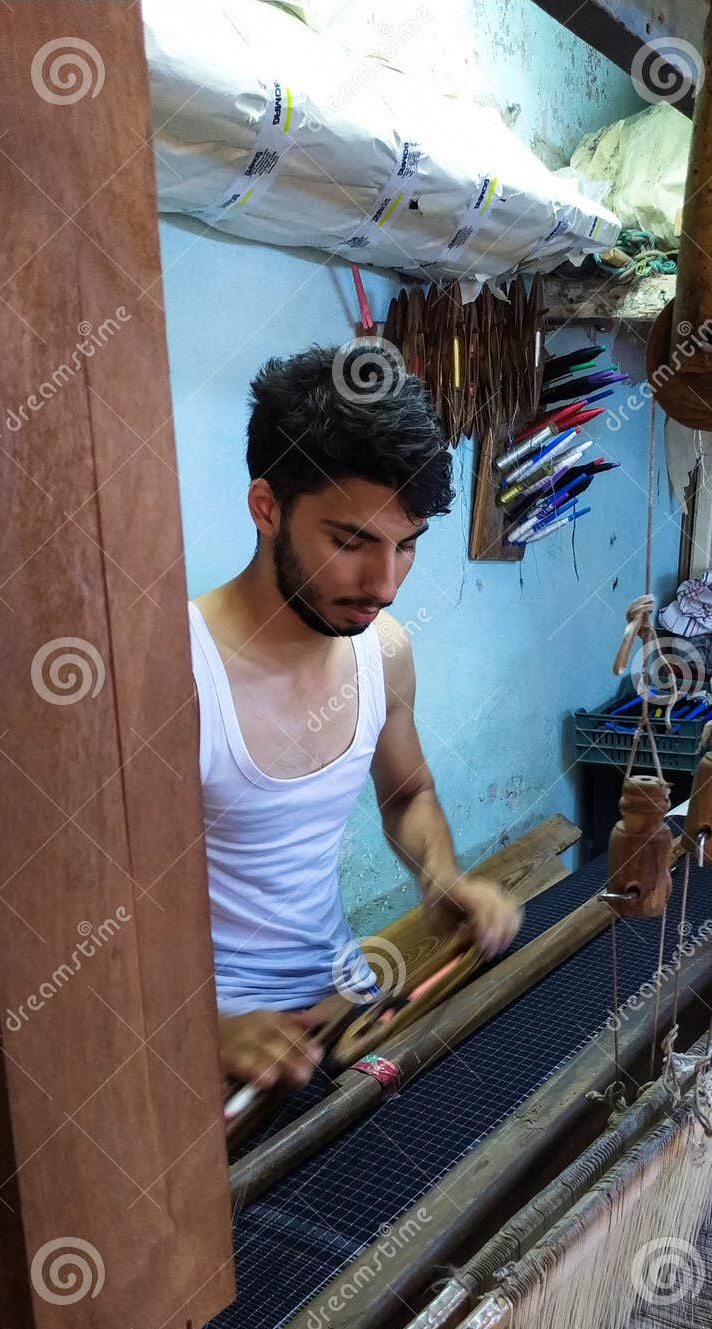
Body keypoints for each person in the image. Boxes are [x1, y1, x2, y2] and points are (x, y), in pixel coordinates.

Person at [189, 345, 520, 1092]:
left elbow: (407, 795)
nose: (385, 584)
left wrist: (442, 880)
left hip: (339, 1017)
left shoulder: (384, 653)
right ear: (267, 508)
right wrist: (204, 1026)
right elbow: (75, 924)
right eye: (351, 543)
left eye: (407, 547)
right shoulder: (174, 679)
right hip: (209, 1058)